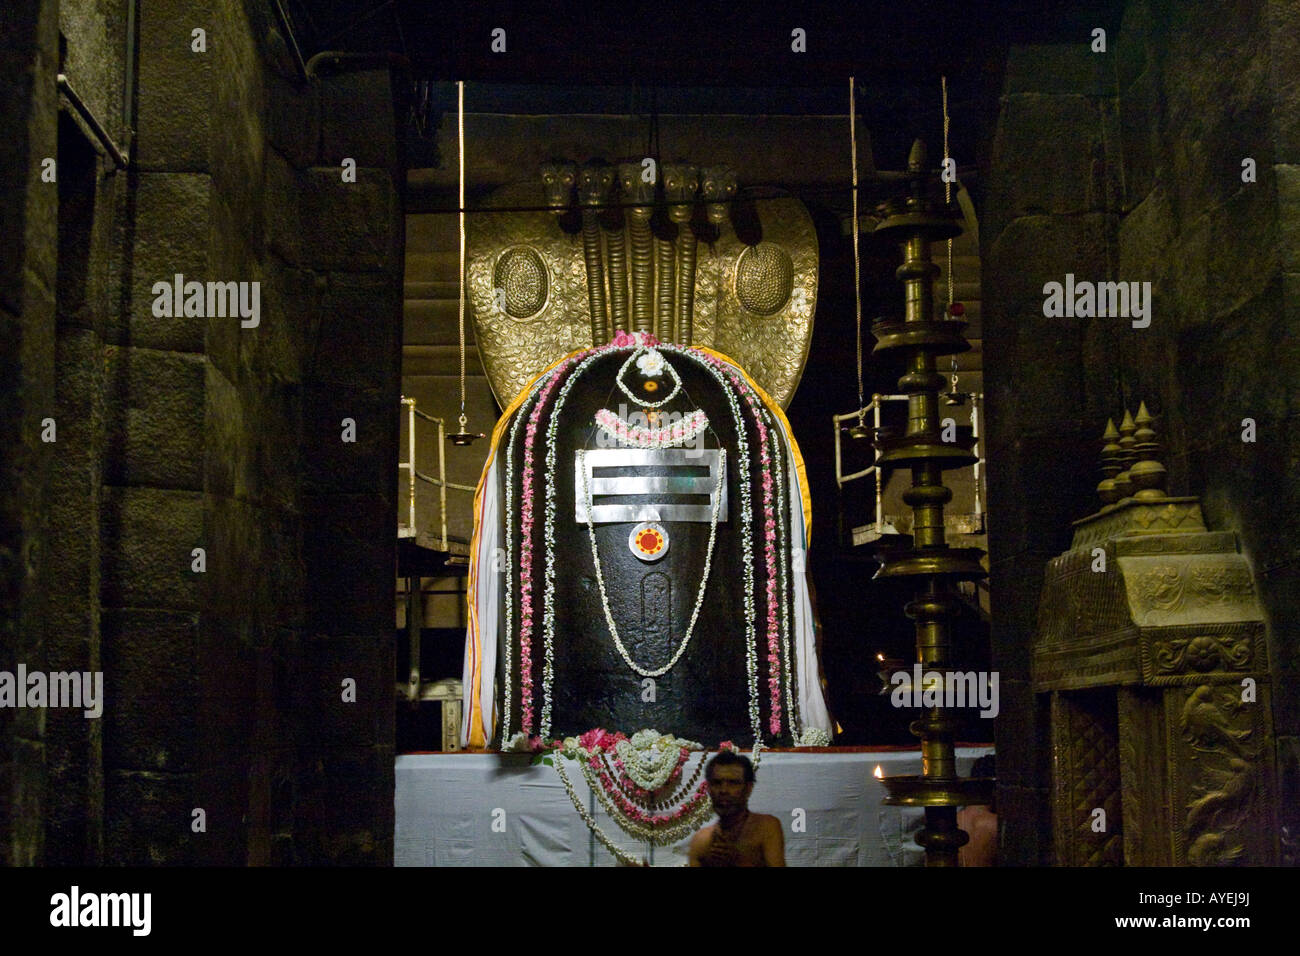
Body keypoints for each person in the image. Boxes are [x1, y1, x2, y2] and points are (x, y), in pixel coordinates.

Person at [688, 751, 785, 866]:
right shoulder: (701, 841)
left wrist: (739, 861)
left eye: (733, 783)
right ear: (708, 788)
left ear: (748, 788)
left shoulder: (766, 828)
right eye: (717, 783)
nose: (724, 790)